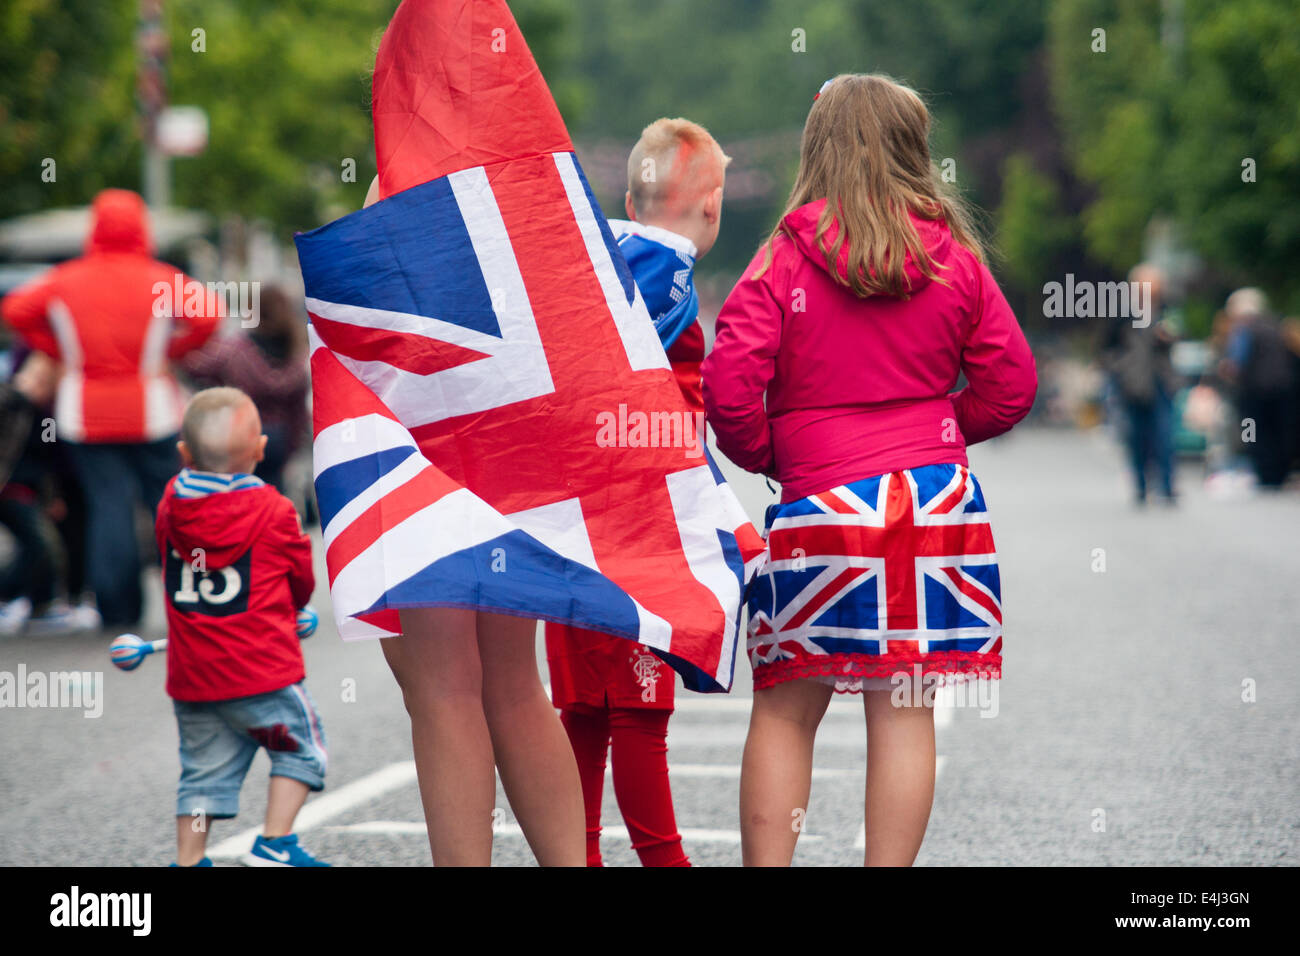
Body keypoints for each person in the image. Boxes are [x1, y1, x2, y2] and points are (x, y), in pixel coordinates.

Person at [702, 74, 1036, 866]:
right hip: (933, 507)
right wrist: (939, 433)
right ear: (914, 147)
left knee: (785, 710)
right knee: (906, 711)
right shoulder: (954, 256)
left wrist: (778, 453)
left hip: (821, 504)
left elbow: (727, 385)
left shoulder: (784, 258)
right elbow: (1013, 384)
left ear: (817, 147)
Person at [356, 182, 586, 868]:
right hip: (511, 431)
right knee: (514, 680)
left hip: (421, 437)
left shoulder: (397, 180)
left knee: (442, 684)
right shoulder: (517, 168)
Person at [543, 117, 728, 867]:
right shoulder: (670, 274)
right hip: (639, 528)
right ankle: (664, 860)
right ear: (711, 208)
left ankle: (577, 855)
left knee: (583, 713)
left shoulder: (583, 264)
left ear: (628, 194)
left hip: (570, 524)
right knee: (642, 718)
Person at [1, 189, 221, 627]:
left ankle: (118, 611)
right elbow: (210, 315)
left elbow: (15, 310)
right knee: (172, 503)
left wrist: (61, 350)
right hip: (153, 408)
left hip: (85, 413)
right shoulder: (162, 278)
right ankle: (197, 596)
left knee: (109, 509)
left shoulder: (66, 279)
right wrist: (174, 349)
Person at [157, 387, 327, 867]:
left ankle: (189, 860)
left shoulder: (170, 505)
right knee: (300, 750)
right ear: (260, 449)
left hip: (194, 678)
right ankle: (276, 842)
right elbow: (300, 578)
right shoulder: (274, 511)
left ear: (184, 454)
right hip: (262, 674)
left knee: (200, 776)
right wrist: (292, 610)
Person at [0, 350, 98, 635]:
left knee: (41, 547)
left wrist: (51, 496)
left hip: (22, 490)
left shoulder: (45, 420)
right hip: (9, 488)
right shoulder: (10, 401)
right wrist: (20, 394)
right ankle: (14, 596)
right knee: (39, 546)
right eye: (33, 378)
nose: (36, 386)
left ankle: (38, 603)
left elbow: (47, 458)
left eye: (44, 381)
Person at [179, 284, 310, 492]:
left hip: (237, 433)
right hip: (278, 439)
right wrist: (292, 445)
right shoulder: (296, 355)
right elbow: (298, 411)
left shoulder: (236, 350)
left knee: (235, 496)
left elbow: (195, 367)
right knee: (271, 498)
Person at [1101, 263, 1179, 504]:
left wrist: (1167, 338)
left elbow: (1175, 343)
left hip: (1160, 383)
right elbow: (1107, 348)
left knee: (1164, 437)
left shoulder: (1166, 311)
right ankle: (1141, 486)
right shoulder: (1123, 313)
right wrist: (1121, 371)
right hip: (1131, 385)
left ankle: (1166, 487)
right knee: (1135, 437)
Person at [1220, 288, 1296, 487]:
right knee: (1281, 431)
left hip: (1253, 392)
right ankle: (1280, 473)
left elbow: (1235, 364)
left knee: (1252, 432)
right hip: (1283, 389)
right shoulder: (1277, 325)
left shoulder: (1243, 330)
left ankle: (1262, 472)